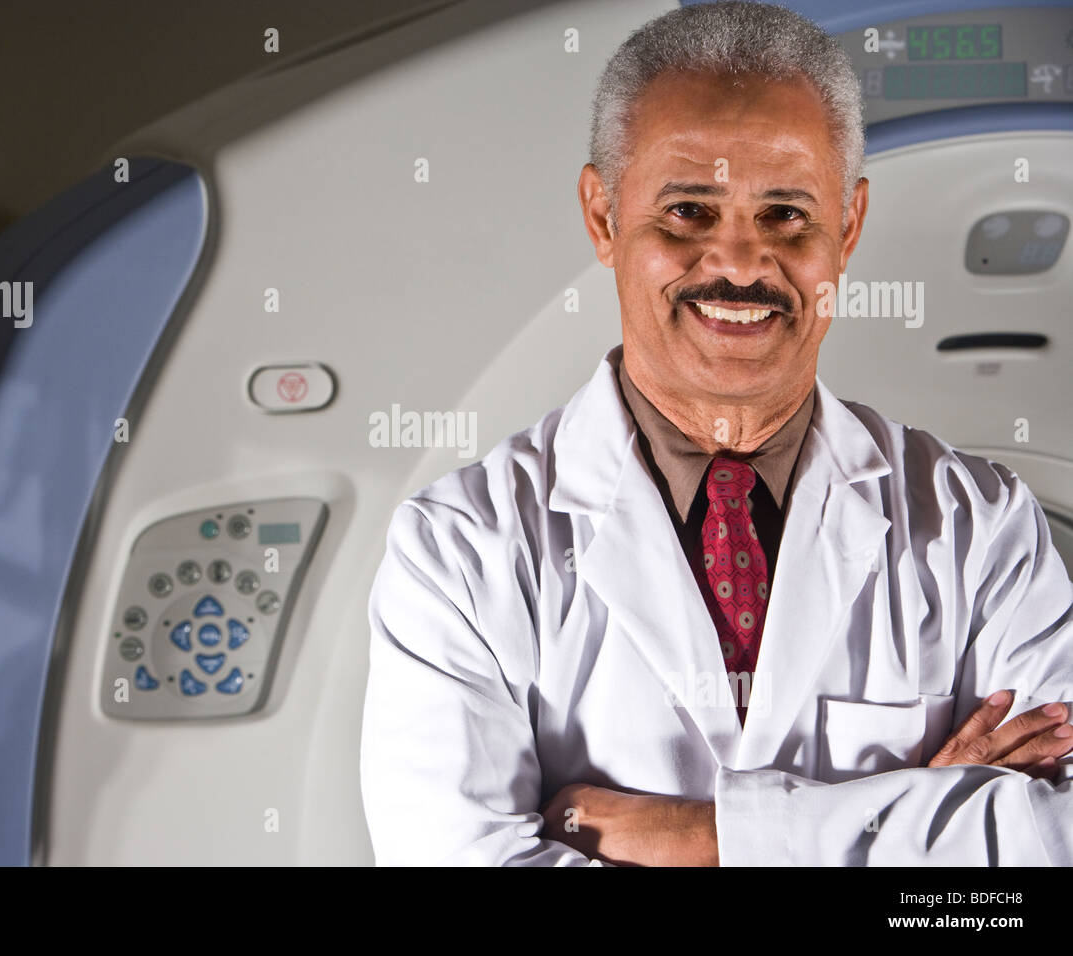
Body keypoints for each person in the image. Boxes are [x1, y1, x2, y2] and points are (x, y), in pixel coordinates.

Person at [358, 1, 1073, 865]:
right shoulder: (462, 548)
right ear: (602, 216)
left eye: (786, 215)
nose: (739, 262)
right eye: (689, 212)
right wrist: (921, 819)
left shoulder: (979, 526)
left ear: (846, 229)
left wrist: (701, 837)